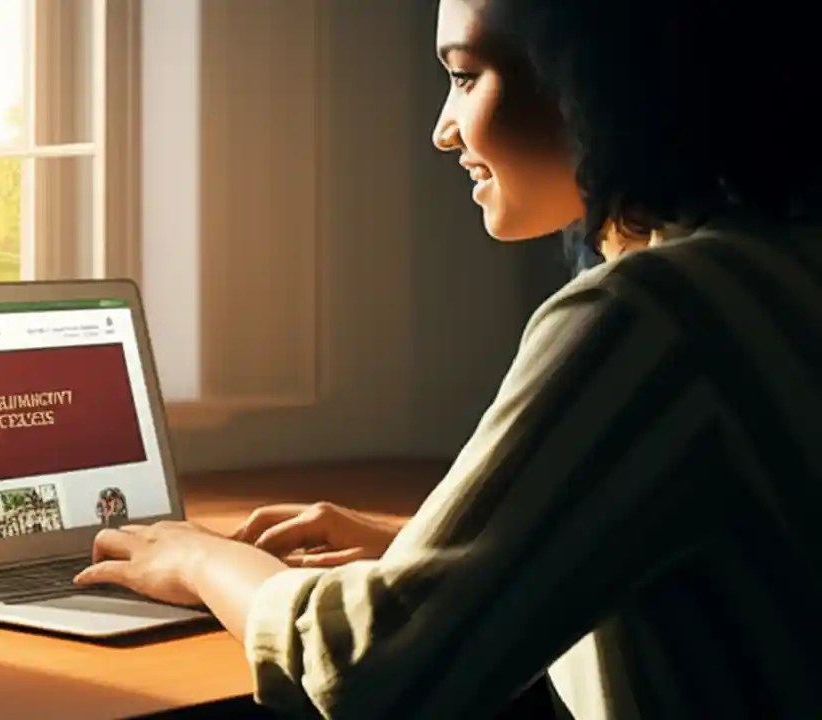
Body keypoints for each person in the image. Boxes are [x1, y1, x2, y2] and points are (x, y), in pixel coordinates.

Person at [73, 0, 822, 717]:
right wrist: (435, 556)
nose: (442, 128)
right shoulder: (777, 272)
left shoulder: (654, 315)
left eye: (464, 76)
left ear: (596, 75)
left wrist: (205, 564)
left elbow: (378, 673)